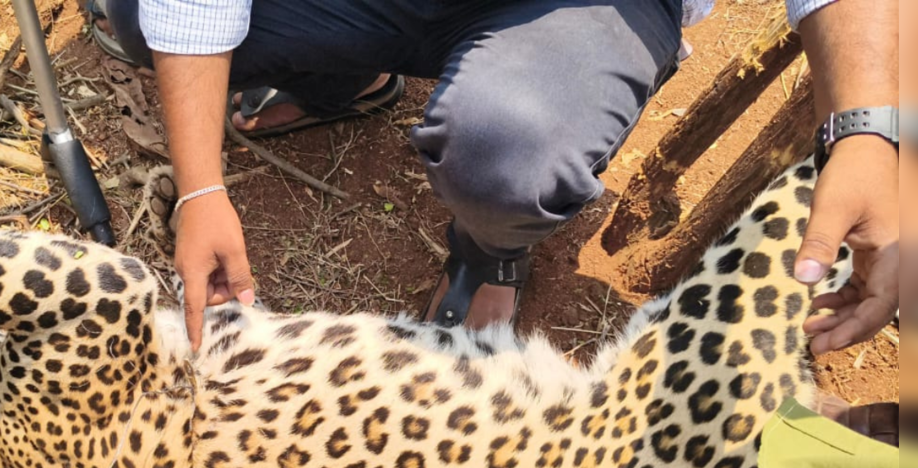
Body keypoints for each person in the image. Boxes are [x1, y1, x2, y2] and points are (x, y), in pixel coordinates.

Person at [91, 0, 899, 357]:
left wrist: (867, 131)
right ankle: (348, 85)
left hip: (578, 6)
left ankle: (490, 248)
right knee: (132, 13)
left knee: (509, 152)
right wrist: (201, 189)